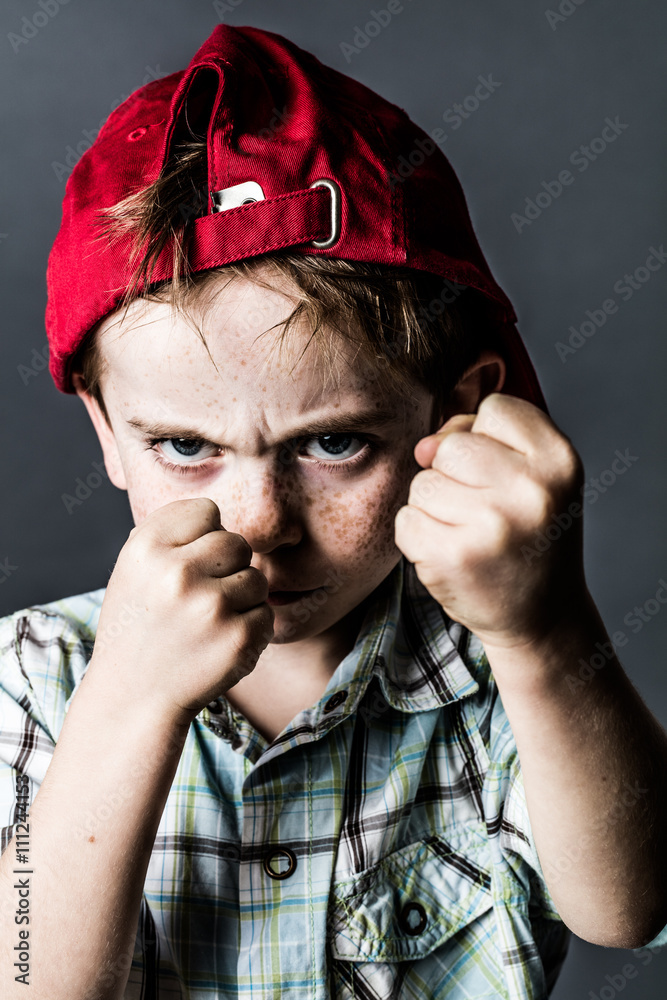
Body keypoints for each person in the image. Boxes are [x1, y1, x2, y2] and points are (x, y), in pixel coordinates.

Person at [0, 23, 665, 1000]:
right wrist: (127, 703)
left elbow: (627, 908)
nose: (260, 518)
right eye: (185, 447)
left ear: (456, 411)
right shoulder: (36, 678)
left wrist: (546, 630)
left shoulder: (499, 667)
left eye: (333, 442)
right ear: (107, 432)